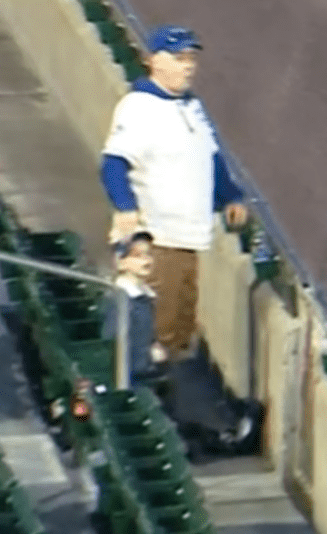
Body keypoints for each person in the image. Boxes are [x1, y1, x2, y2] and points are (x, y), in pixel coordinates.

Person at [98, 24, 248, 361]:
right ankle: (149, 387)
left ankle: (168, 379)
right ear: (153, 61)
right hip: (158, 241)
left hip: (188, 239)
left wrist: (231, 196)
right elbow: (112, 164)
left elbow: (210, 159)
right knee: (156, 333)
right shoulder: (139, 108)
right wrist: (125, 207)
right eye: (179, 58)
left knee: (180, 330)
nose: (188, 66)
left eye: (191, 58)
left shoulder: (192, 106)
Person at [101, 230, 164, 384]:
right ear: (121, 262)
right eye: (137, 255)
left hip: (145, 370)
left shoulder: (144, 295)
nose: (146, 259)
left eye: (148, 254)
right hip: (130, 378)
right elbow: (112, 341)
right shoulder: (120, 300)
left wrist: (153, 345)